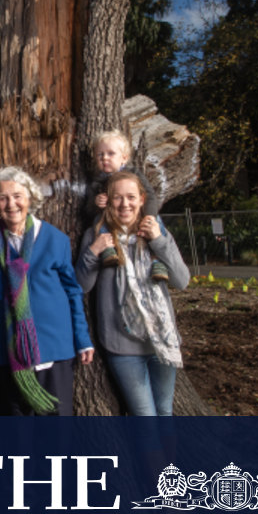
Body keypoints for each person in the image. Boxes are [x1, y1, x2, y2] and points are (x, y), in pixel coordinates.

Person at [0, 166, 94, 415]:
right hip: (6, 350)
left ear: (30, 198)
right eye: (3, 198)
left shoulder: (55, 239)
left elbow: (72, 292)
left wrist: (82, 339)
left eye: (17, 195)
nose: (11, 204)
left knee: (57, 426)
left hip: (54, 347)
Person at [75, 171, 190, 416]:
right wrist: (92, 253)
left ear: (141, 199)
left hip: (162, 340)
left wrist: (159, 241)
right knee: (144, 416)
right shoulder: (96, 234)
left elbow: (182, 280)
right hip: (123, 346)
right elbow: (82, 286)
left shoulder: (156, 232)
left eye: (130, 197)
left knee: (164, 411)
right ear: (108, 200)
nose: (124, 204)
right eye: (117, 198)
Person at [86, 131, 169, 282]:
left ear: (124, 157)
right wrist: (96, 203)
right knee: (98, 219)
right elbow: (87, 210)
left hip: (139, 218)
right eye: (100, 155)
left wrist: (149, 215)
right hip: (113, 224)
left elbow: (150, 195)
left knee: (157, 222)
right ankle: (109, 250)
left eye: (111, 154)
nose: (105, 158)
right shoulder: (97, 182)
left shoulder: (134, 173)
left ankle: (157, 261)